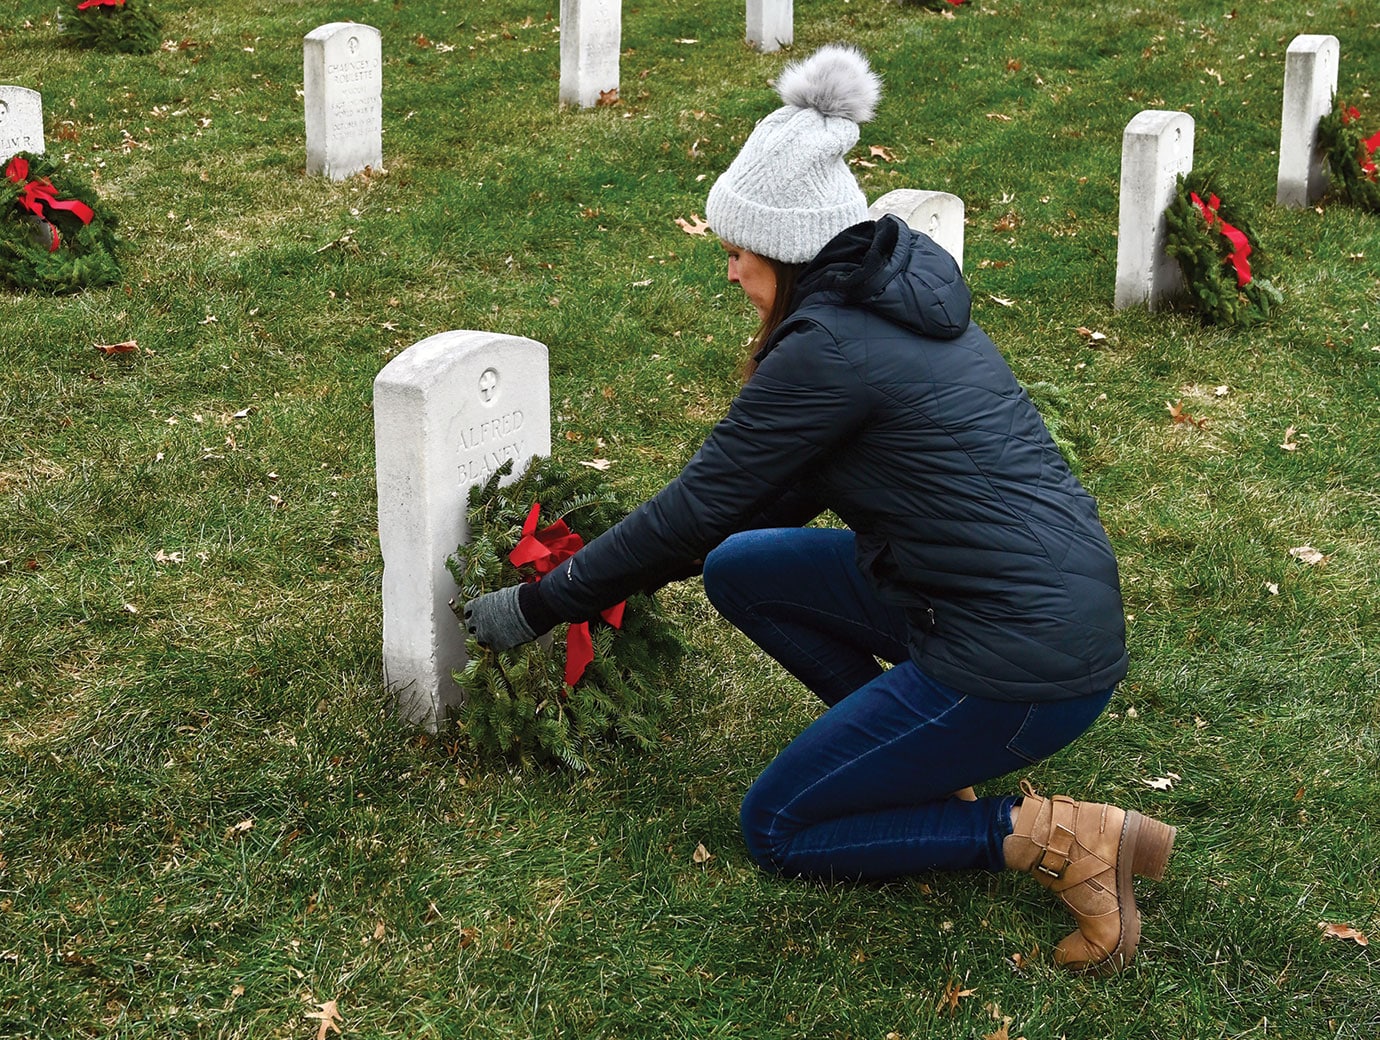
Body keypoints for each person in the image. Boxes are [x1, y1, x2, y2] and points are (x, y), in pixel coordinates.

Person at [464, 43, 1175, 974]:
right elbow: (734, 517)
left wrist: (539, 603)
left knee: (781, 827)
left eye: (736, 253)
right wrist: (653, 562)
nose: (728, 274)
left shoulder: (828, 351)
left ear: (789, 251)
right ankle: (922, 766)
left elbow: (694, 505)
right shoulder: (885, 297)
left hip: (1018, 662)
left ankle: (1050, 836)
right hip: (1003, 602)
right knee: (743, 566)